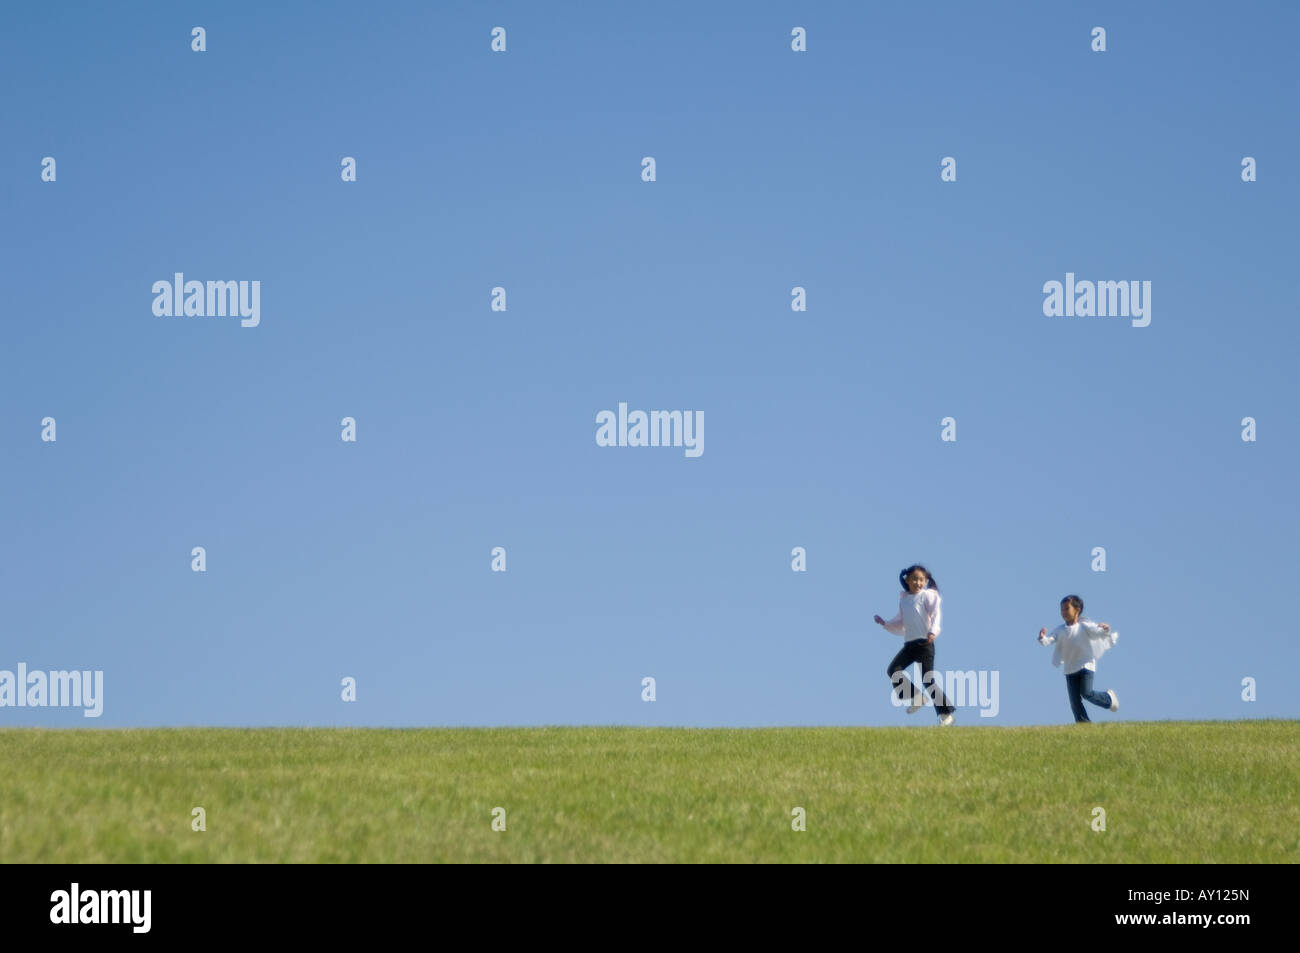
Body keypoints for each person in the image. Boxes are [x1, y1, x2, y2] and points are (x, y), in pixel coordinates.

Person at [874, 564, 956, 725]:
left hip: (925, 644)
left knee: (927, 680)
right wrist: (885, 623)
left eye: (921, 580)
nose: (918, 583)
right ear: (907, 580)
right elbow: (900, 622)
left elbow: (936, 614)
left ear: (925, 581)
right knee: (893, 670)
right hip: (909, 646)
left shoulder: (927, 596)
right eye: (914, 579)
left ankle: (946, 715)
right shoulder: (904, 601)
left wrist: (933, 631)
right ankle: (917, 697)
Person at [1037, 595, 1119, 723]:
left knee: (1087, 693)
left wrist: (1104, 629)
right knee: (1074, 701)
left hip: (1086, 666)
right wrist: (1042, 638)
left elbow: (1097, 632)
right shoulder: (1060, 630)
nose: (1063, 612)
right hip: (1070, 669)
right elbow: (1049, 640)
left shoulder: (1084, 626)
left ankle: (1108, 699)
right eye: (1062, 609)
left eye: (1066, 609)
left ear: (1077, 610)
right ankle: (1084, 725)